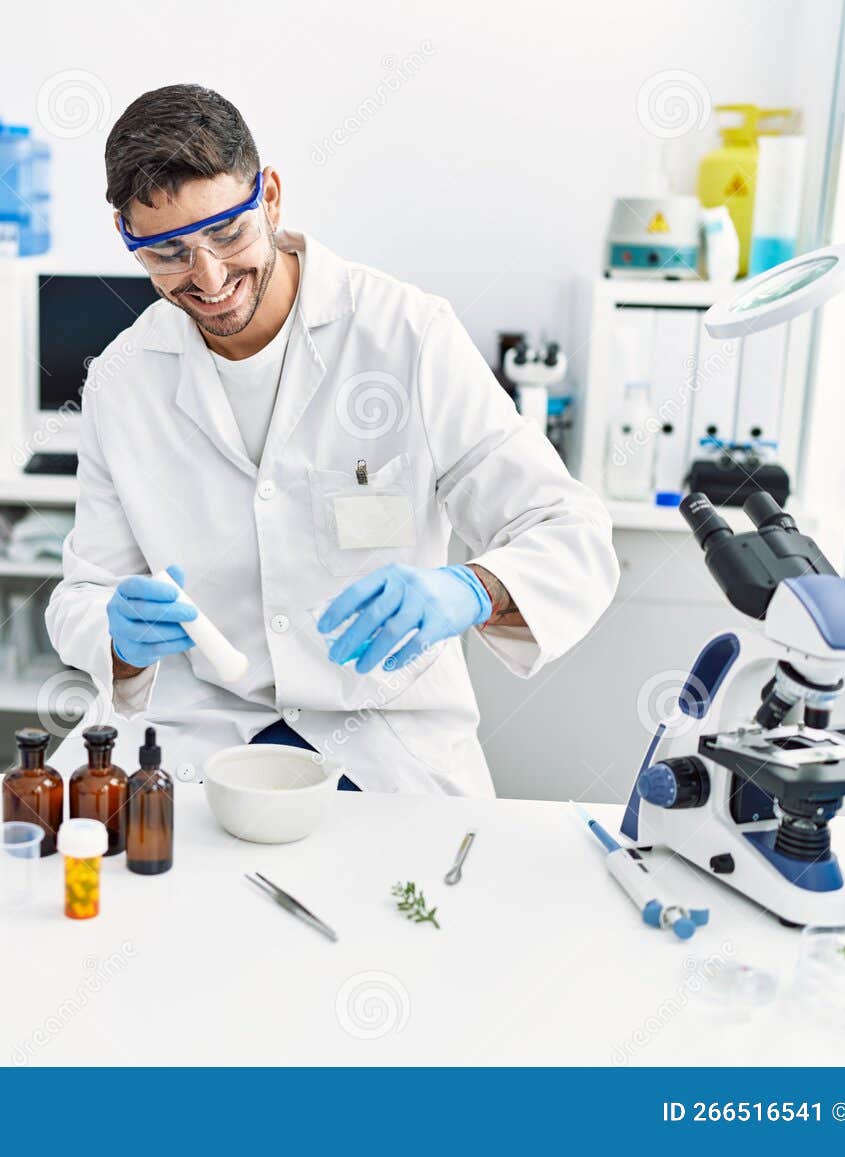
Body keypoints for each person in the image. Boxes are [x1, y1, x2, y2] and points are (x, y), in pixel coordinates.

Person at [45, 85, 618, 795]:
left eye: (227, 232)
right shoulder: (124, 381)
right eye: (168, 253)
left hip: (384, 741)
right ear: (128, 241)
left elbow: (572, 533)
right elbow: (84, 593)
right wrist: (116, 635)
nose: (210, 277)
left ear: (272, 196)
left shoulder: (406, 334)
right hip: (198, 737)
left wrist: (470, 589)